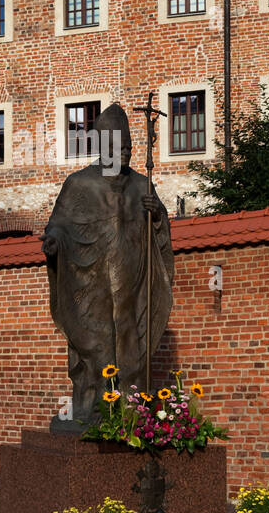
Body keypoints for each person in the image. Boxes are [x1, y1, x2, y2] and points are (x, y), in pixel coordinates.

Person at [42, 103, 174, 429]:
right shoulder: (79, 185)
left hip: (131, 282)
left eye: (129, 147)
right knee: (97, 342)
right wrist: (55, 242)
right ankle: (94, 406)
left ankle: (130, 410)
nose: (127, 153)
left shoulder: (141, 185)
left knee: (130, 342)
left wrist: (156, 213)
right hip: (91, 282)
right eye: (119, 147)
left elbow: (159, 232)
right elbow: (59, 225)